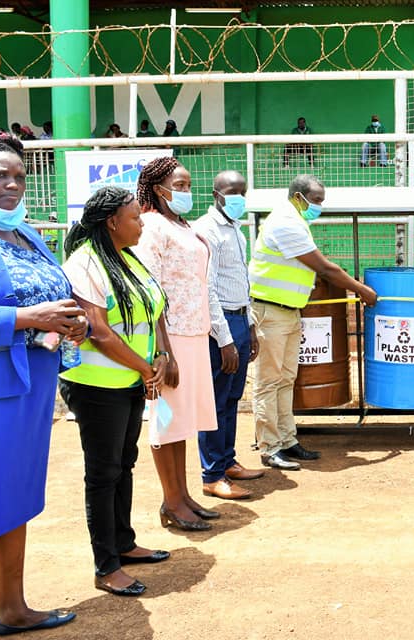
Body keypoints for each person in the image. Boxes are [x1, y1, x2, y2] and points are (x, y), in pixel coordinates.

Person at [0, 128, 82, 638]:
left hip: (29, 391)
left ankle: (11, 608)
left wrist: (68, 320)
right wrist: (26, 317)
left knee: (14, 499)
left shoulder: (25, 233)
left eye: (19, 175)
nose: (12, 184)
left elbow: (54, 295)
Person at [59, 186, 172, 598]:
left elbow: (153, 311)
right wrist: (146, 368)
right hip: (96, 385)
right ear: (112, 222)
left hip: (130, 380)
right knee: (103, 473)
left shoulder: (127, 259)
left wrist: (159, 356)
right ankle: (105, 566)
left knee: (125, 462)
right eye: (135, 218)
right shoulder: (85, 262)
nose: (142, 224)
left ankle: (124, 543)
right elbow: (100, 333)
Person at [249, 174, 377, 469]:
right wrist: (362, 290)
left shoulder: (296, 220)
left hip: (290, 311)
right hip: (271, 312)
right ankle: (270, 447)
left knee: (286, 379)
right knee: (269, 382)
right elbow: (324, 268)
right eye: (316, 200)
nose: (319, 206)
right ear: (298, 197)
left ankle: (287, 440)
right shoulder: (285, 221)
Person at [135, 156, 218, 530]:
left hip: (194, 332)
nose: (186, 191)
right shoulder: (152, 226)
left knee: (183, 422)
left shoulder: (181, 225)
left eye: (188, 185)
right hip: (170, 337)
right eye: (179, 186)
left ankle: (183, 495)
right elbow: (148, 288)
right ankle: (171, 502)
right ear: (158, 189)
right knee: (166, 421)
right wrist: (161, 349)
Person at [193, 170, 265, 500]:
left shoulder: (236, 228)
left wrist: (250, 324)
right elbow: (206, 288)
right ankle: (212, 474)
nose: (239, 198)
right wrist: (224, 338)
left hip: (240, 319)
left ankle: (227, 460)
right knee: (216, 400)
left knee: (233, 398)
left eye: (243, 192)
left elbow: (241, 281)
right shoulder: (206, 230)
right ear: (216, 194)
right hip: (219, 324)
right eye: (233, 192)